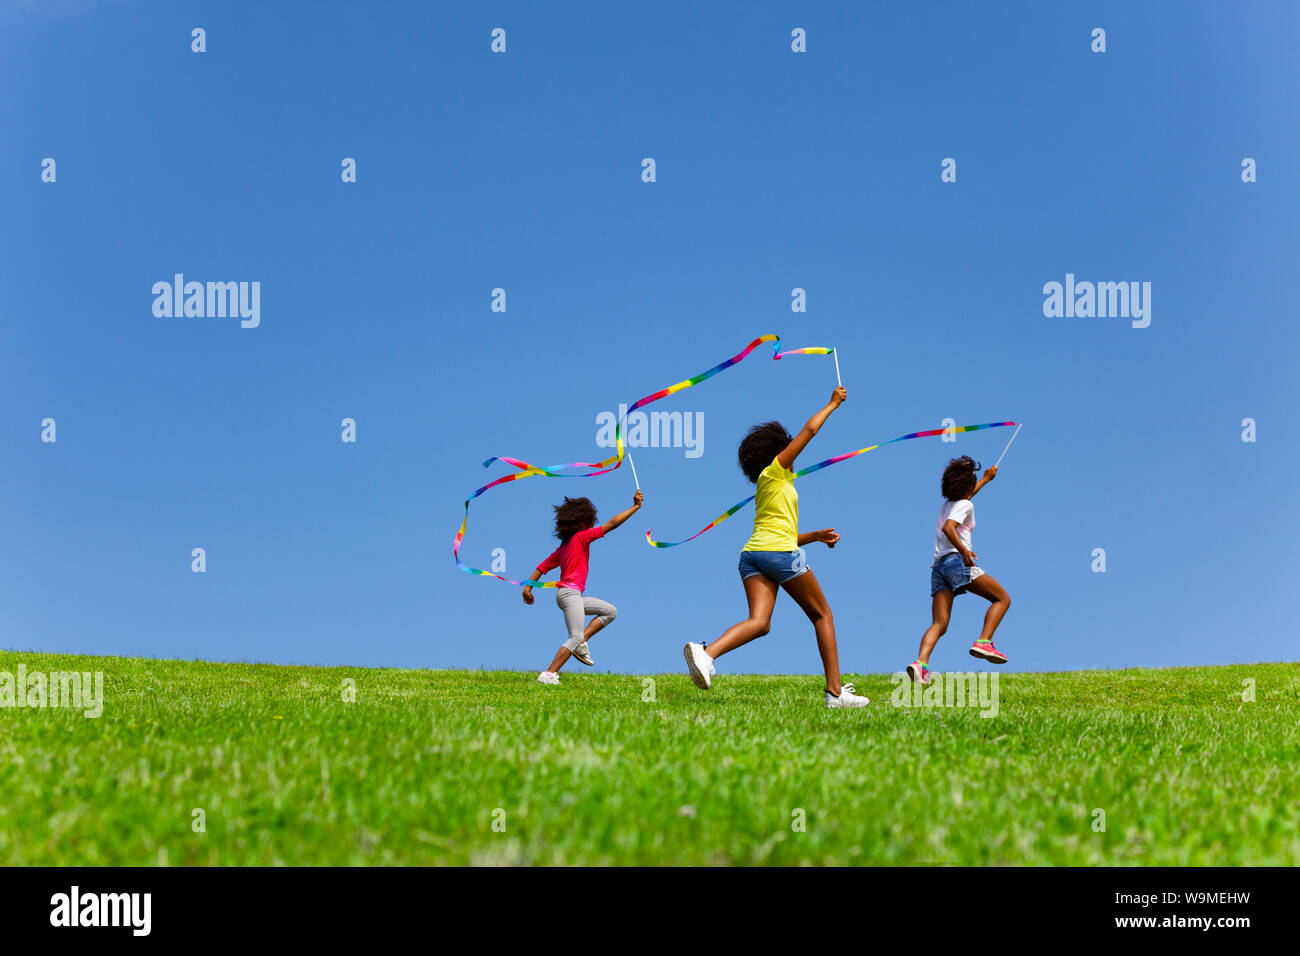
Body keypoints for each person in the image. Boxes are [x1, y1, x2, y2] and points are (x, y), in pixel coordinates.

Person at [683, 387, 869, 708]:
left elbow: (780, 535)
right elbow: (809, 431)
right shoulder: (776, 471)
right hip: (777, 554)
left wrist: (814, 537)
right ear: (779, 452)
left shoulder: (768, 485)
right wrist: (832, 404)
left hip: (754, 555)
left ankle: (707, 653)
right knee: (822, 615)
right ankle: (835, 693)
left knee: (760, 622)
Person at [906, 456, 1012, 686]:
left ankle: (920, 664)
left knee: (939, 623)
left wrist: (985, 480)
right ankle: (984, 641)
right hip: (956, 562)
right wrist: (964, 550)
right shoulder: (965, 505)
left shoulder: (948, 505)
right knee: (1002, 599)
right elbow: (949, 528)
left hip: (938, 568)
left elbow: (964, 500)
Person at [525, 490, 643, 684]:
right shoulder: (581, 537)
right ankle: (548, 674)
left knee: (609, 611)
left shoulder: (563, 547)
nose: (593, 525)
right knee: (574, 636)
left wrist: (528, 588)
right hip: (570, 593)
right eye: (591, 521)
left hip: (572, 595)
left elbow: (541, 567)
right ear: (581, 523)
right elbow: (612, 524)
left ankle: (583, 641)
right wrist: (635, 507)